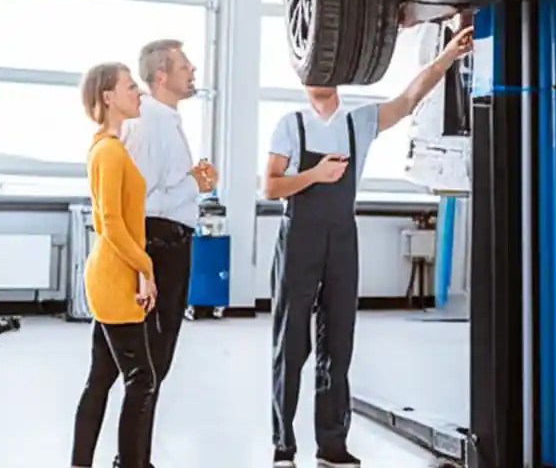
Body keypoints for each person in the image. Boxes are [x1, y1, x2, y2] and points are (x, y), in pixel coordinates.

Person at [265, 26, 475, 468]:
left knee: (338, 342)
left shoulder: (358, 121)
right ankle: (283, 446)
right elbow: (271, 187)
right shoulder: (291, 125)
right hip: (299, 237)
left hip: (342, 237)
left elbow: (409, 98)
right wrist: (316, 175)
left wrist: (447, 58)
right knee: (292, 343)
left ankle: (332, 445)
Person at [120, 39, 217, 467]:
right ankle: (132, 461)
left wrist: (194, 181)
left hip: (171, 241)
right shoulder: (149, 123)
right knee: (151, 362)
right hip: (160, 243)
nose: (193, 70)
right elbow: (143, 201)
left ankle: (136, 458)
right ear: (161, 76)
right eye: (184, 66)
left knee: (157, 362)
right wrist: (194, 183)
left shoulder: (165, 120)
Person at [70, 62, 159, 468]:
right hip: (112, 279)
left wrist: (140, 269)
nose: (139, 92)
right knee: (142, 381)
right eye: (130, 86)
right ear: (108, 97)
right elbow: (110, 223)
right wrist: (146, 268)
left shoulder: (113, 148)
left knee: (102, 378)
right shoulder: (107, 151)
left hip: (118, 273)